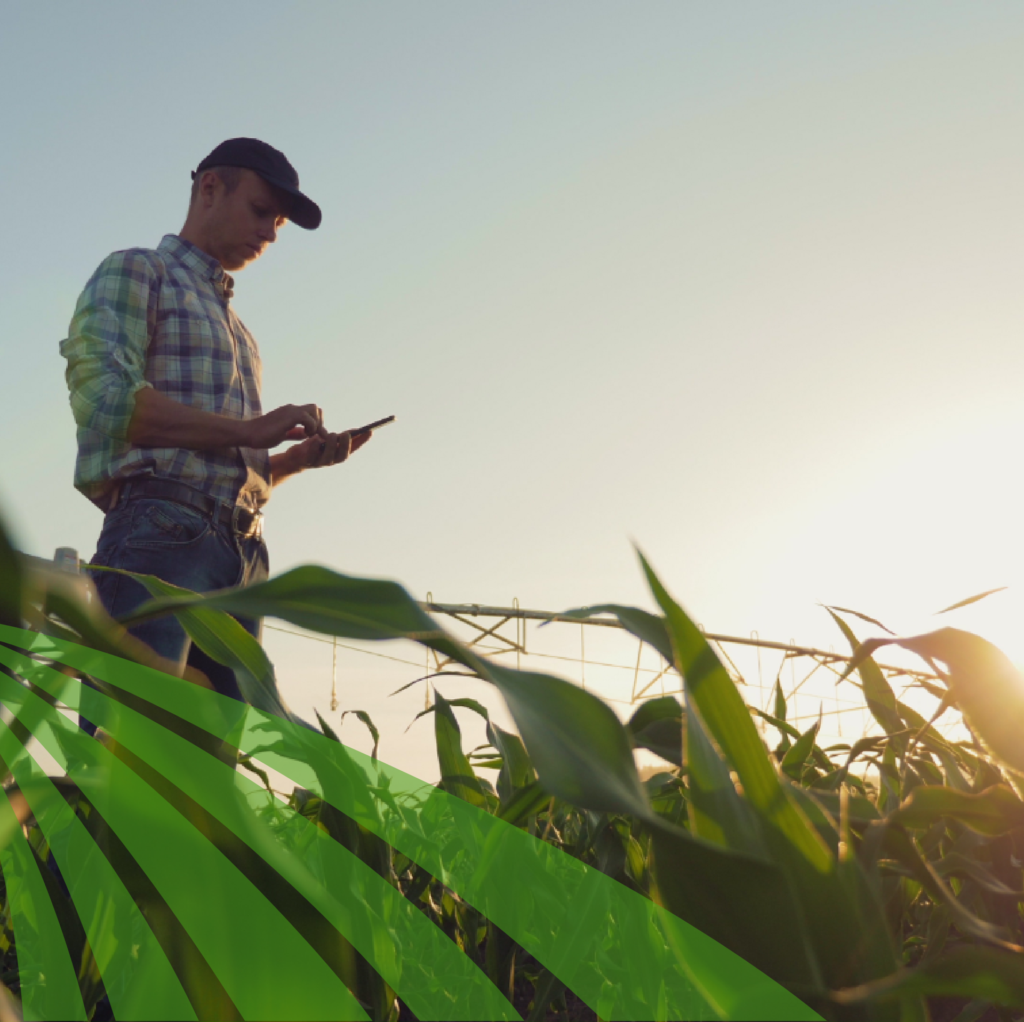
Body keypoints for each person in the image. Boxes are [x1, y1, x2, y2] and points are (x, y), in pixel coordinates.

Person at [60, 137, 370, 731]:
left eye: (279, 222)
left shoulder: (242, 334)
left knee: (203, 792)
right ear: (209, 189)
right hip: (160, 541)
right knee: (126, 764)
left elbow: (219, 468)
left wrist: (293, 461)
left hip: (242, 557)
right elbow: (103, 400)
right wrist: (251, 428)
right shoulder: (136, 271)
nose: (272, 235)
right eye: (262, 212)